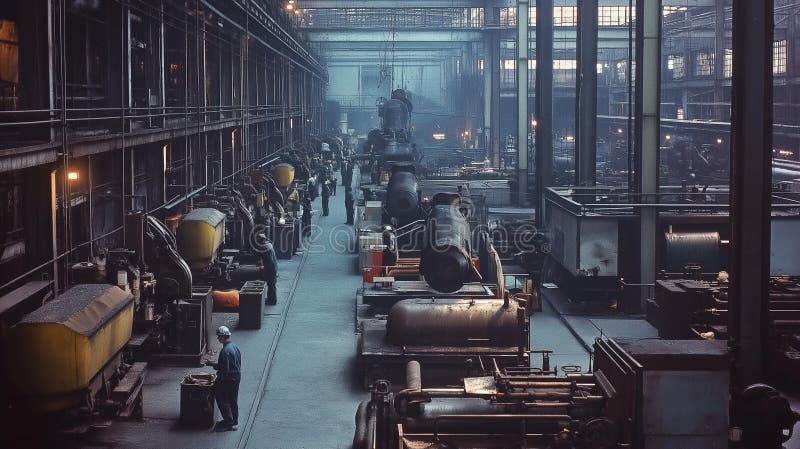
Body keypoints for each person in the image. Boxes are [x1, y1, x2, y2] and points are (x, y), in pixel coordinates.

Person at [206, 326, 241, 432]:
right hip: (236, 376)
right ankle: (234, 420)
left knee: (222, 399)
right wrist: (213, 364)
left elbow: (225, 370)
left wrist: (217, 381)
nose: (218, 339)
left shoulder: (225, 351)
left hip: (228, 379)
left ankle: (228, 423)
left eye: (218, 336)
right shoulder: (234, 347)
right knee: (233, 400)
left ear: (222, 337)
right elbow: (231, 364)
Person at [256, 234, 278, 305]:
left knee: (271, 285)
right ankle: (271, 299)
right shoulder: (269, 244)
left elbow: (257, 256)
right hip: (273, 267)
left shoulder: (264, 247)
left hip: (270, 268)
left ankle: (272, 301)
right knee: (272, 284)